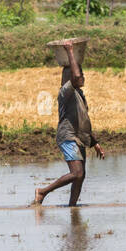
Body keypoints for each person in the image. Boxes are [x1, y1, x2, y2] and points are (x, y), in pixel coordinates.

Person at [34, 55, 104, 206]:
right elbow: (76, 76)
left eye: (82, 74)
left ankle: (72, 208)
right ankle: (42, 192)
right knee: (76, 173)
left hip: (80, 137)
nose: (82, 77)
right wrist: (70, 51)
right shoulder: (65, 92)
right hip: (68, 136)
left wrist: (94, 142)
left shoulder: (79, 94)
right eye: (79, 75)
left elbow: (84, 120)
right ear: (70, 78)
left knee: (80, 176)